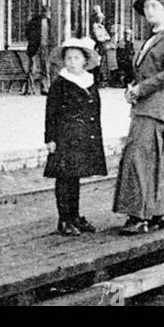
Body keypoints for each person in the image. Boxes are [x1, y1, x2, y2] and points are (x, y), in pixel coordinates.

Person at [114, 0, 164, 236]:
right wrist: (132, 88)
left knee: (139, 158)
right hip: (147, 105)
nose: (149, 11)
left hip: (157, 107)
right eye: (146, 7)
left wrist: (141, 89)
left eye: (154, 6)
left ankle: (138, 216)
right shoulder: (154, 37)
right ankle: (155, 213)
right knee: (151, 159)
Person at [43, 37, 106, 236]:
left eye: (76, 58)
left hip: (84, 136)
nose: (71, 62)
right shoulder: (60, 84)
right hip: (65, 136)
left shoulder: (89, 82)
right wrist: (50, 138)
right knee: (64, 177)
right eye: (68, 58)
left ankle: (75, 216)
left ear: (84, 61)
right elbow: (50, 113)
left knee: (75, 176)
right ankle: (64, 219)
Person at [25, 6, 53, 94]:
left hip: (45, 47)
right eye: (44, 12)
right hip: (34, 47)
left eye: (47, 12)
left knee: (45, 67)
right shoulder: (34, 21)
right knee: (32, 68)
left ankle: (45, 88)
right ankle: (30, 88)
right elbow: (27, 33)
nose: (46, 13)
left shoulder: (50, 22)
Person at [90, 6, 112, 88]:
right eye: (99, 18)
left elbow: (108, 37)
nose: (101, 19)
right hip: (98, 46)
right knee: (98, 63)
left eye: (101, 18)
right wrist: (103, 38)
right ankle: (97, 80)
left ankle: (103, 80)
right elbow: (97, 37)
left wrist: (104, 38)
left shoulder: (102, 27)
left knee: (104, 63)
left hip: (103, 46)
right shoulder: (95, 26)